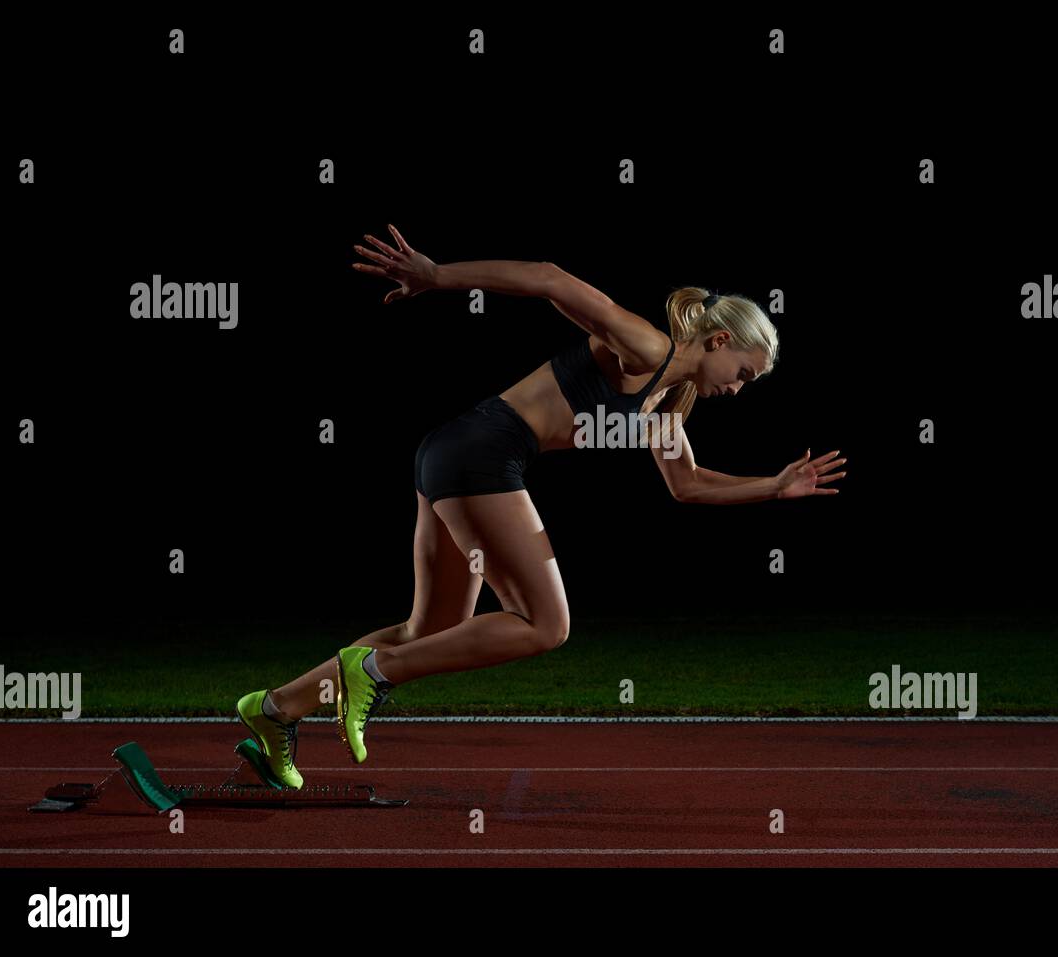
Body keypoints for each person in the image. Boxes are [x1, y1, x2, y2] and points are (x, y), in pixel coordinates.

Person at [235, 224, 846, 787]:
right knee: (546, 624)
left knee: (432, 631)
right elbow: (550, 277)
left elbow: (687, 484)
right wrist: (436, 274)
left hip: (454, 452)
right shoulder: (646, 346)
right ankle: (373, 673)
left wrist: (774, 485)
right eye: (742, 372)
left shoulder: (665, 401)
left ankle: (274, 710)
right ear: (717, 340)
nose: (737, 389)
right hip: (483, 454)